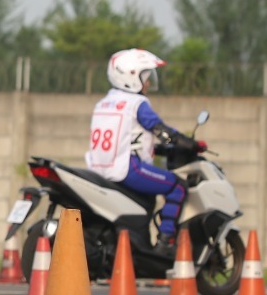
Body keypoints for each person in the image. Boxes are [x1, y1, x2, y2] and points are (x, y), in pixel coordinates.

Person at [84, 48, 200, 252]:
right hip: (127, 168)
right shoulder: (137, 103)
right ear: (130, 77)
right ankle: (166, 243)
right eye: (145, 76)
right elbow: (159, 129)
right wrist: (185, 142)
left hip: (98, 169)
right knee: (178, 187)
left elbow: (126, 138)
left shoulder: (104, 102)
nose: (148, 82)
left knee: (148, 199)